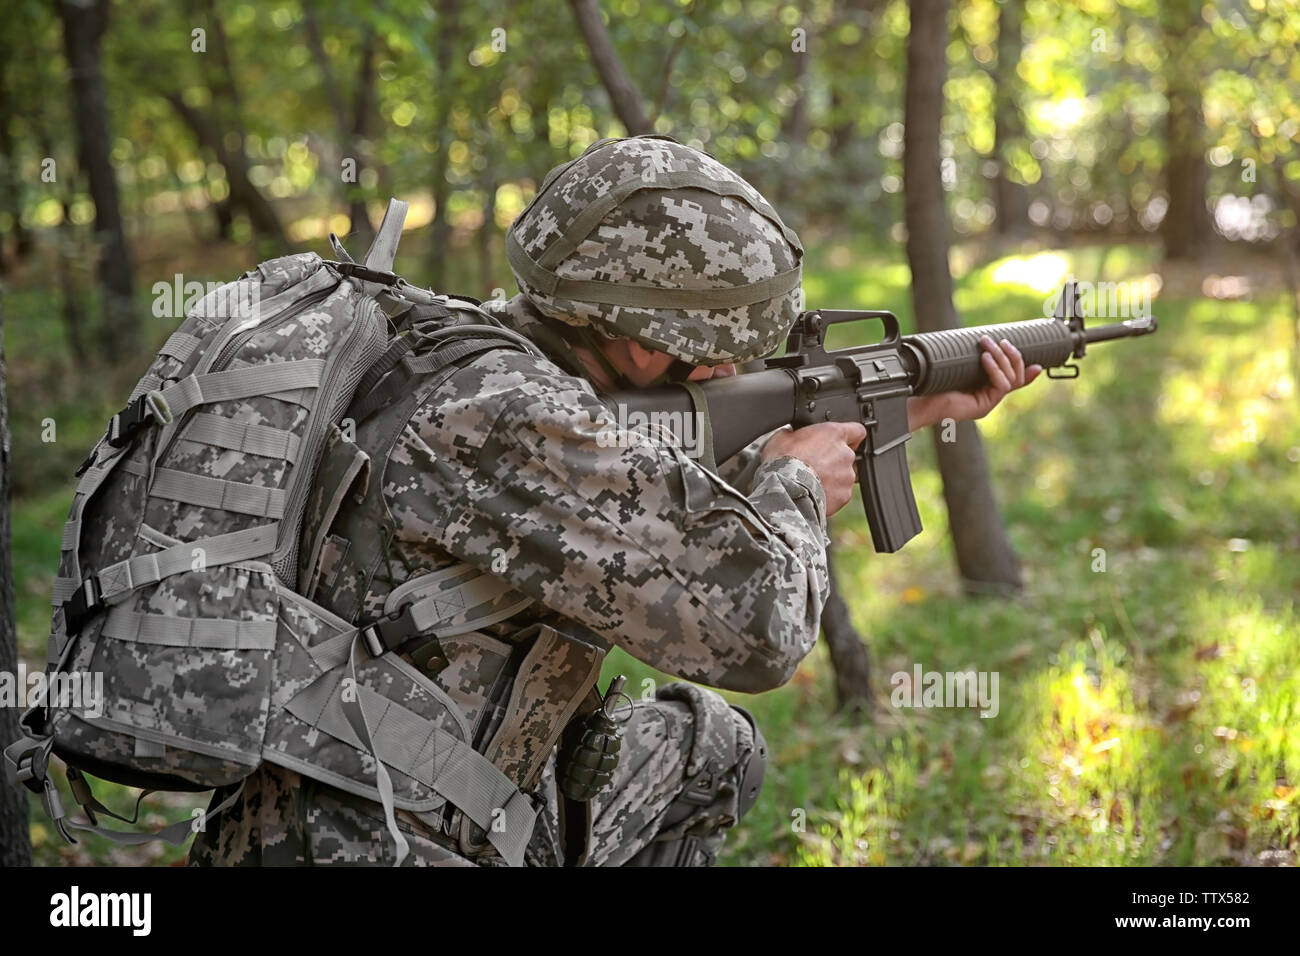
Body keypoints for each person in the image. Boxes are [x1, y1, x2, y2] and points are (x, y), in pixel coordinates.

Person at [188, 134, 1039, 867]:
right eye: (718, 346)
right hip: (377, 834)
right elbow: (758, 630)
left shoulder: (474, 348)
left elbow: (640, 488)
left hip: (355, 780)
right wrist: (795, 484)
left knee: (709, 749)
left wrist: (905, 408)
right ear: (636, 337)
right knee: (717, 729)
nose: (731, 367)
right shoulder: (516, 421)